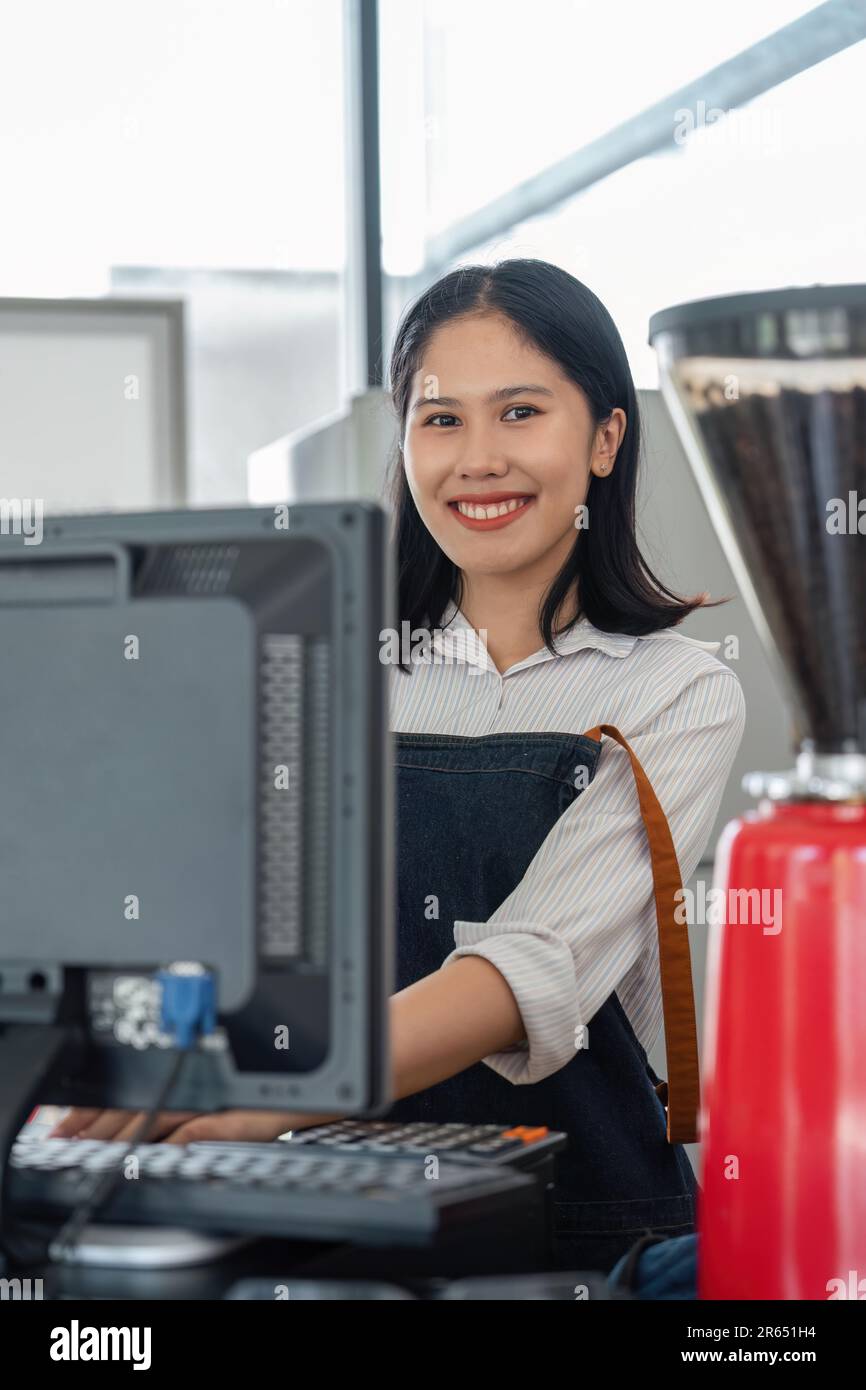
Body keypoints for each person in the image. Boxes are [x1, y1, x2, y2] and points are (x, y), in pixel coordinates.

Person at [49, 258, 745, 1272]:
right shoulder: (323, 673)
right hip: (331, 1194)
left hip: (580, 1224)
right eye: (439, 418)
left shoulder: (675, 692)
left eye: (518, 412)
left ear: (603, 437)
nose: (476, 459)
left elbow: (532, 963)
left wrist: (277, 1094)